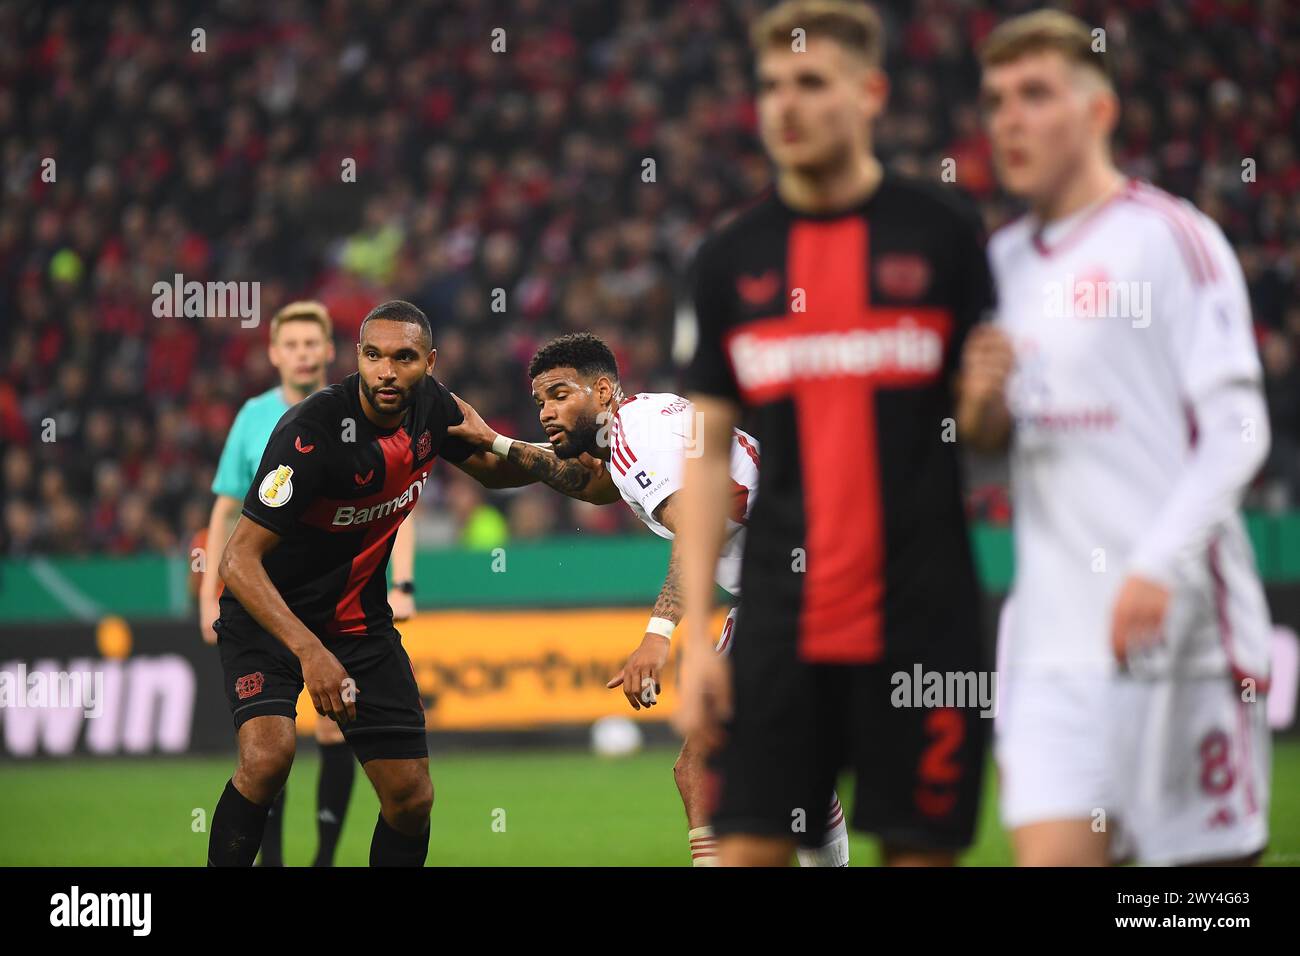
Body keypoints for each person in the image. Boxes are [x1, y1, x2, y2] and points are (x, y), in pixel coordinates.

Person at [672, 0, 993, 866]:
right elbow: (705, 461)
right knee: (743, 853)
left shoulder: (943, 238)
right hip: (781, 623)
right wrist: (696, 640)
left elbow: (986, 430)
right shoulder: (731, 261)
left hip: (923, 617)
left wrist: (990, 402)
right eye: (771, 85)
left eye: (811, 82)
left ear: (869, 94)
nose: (786, 104)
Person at [964, 9, 1272, 866]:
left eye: (1035, 95)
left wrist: (1155, 563)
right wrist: (981, 419)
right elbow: (988, 458)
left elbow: (1239, 430)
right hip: (1052, 649)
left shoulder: (1169, 240)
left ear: (1099, 112)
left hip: (1182, 638)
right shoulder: (999, 267)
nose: (1009, 121)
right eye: (996, 101)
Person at [448, 332, 849, 866]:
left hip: (799, 585)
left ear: (605, 391)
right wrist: (497, 441)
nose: (546, 410)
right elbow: (592, 483)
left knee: (700, 766)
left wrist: (656, 637)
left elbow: (695, 530)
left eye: (561, 394)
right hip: (812, 574)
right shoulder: (639, 426)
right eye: (540, 400)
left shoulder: (641, 437)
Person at [206, 300, 537, 867]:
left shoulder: (431, 410)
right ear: (357, 357)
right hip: (269, 617)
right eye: (374, 356)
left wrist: (562, 458)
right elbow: (236, 561)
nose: (387, 371)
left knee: (411, 797)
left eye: (404, 358)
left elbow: (493, 470)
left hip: (358, 623)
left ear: (429, 363)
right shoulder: (309, 435)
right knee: (268, 758)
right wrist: (310, 651)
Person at [199, 300, 416, 866]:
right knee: (270, 753)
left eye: (309, 343)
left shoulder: (381, 415)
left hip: (345, 606)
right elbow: (228, 514)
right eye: (289, 344)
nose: (300, 353)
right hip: (266, 598)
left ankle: (322, 858)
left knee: (333, 735)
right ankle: (271, 860)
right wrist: (207, 592)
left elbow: (399, 502)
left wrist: (405, 583)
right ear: (274, 354)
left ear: (328, 352)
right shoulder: (256, 418)